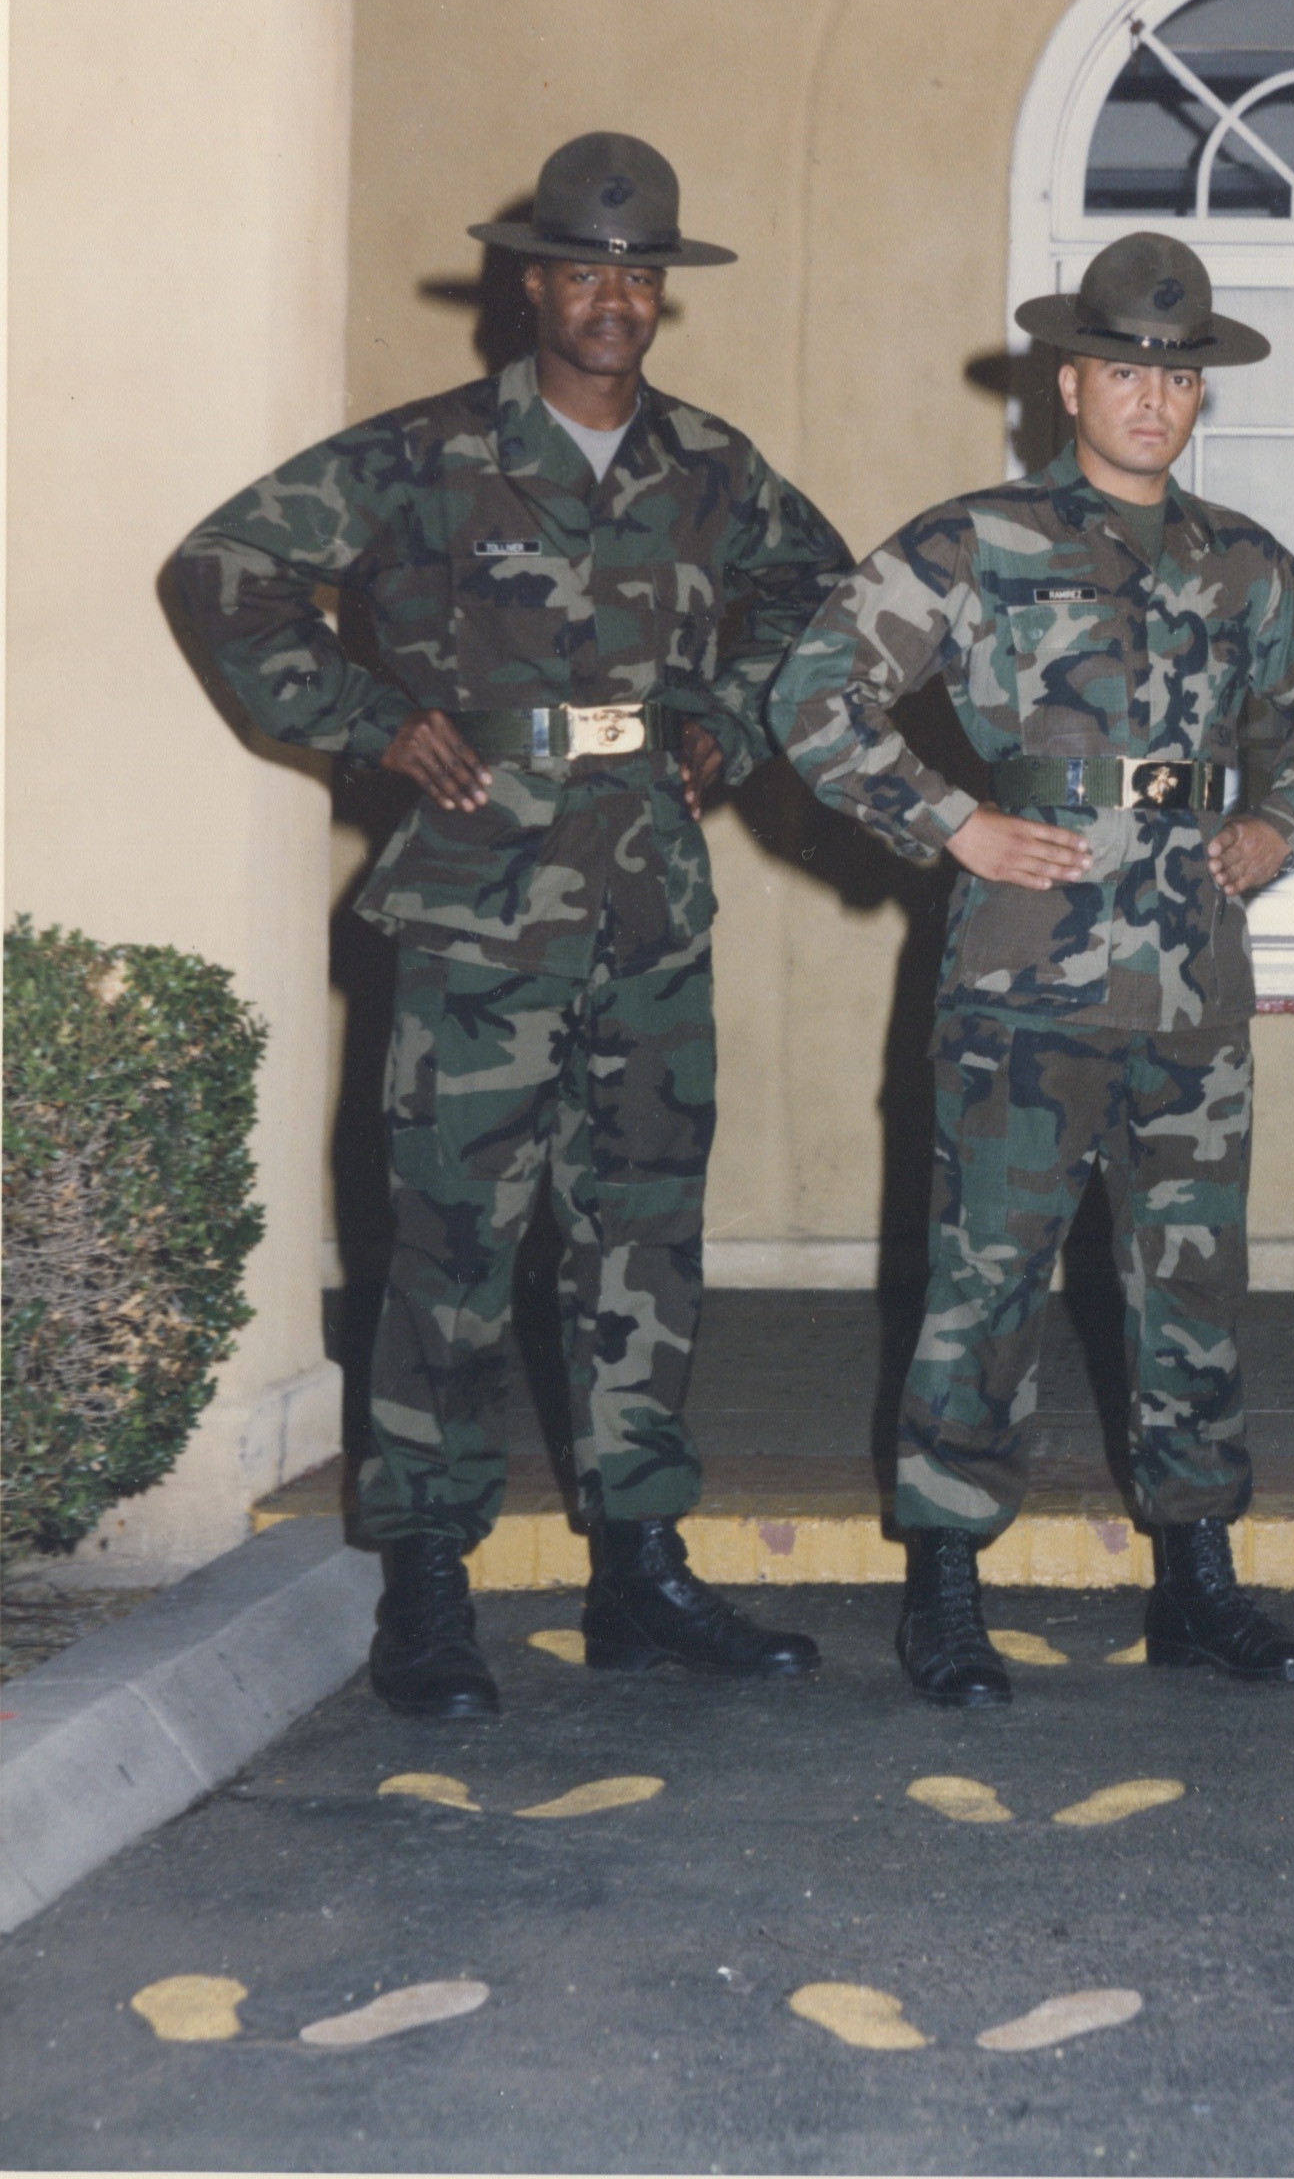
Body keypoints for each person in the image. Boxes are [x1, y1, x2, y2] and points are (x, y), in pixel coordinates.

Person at [176, 133, 848, 1718]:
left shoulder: (714, 469)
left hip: (649, 906)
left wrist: (734, 725)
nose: (613, 298)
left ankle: (639, 1570)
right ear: (531, 280)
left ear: (660, 295)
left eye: (640, 275)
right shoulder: (421, 459)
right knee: (452, 1248)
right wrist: (365, 720)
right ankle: (424, 1581)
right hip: (475, 907)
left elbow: (824, 602)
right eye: (584, 269)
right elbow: (224, 572)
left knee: (642, 1243)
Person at [769, 232, 1294, 1708]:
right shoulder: (975, 545)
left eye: (1176, 374)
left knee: (1193, 1289)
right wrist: (951, 818)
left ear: (1200, 393)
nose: (1151, 399)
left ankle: (1199, 1579)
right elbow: (811, 689)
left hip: (1190, 984)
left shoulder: (1245, 566)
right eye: (1123, 370)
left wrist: (1281, 819)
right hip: (1023, 983)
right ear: (1071, 379)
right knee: (988, 1281)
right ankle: (951, 1585)